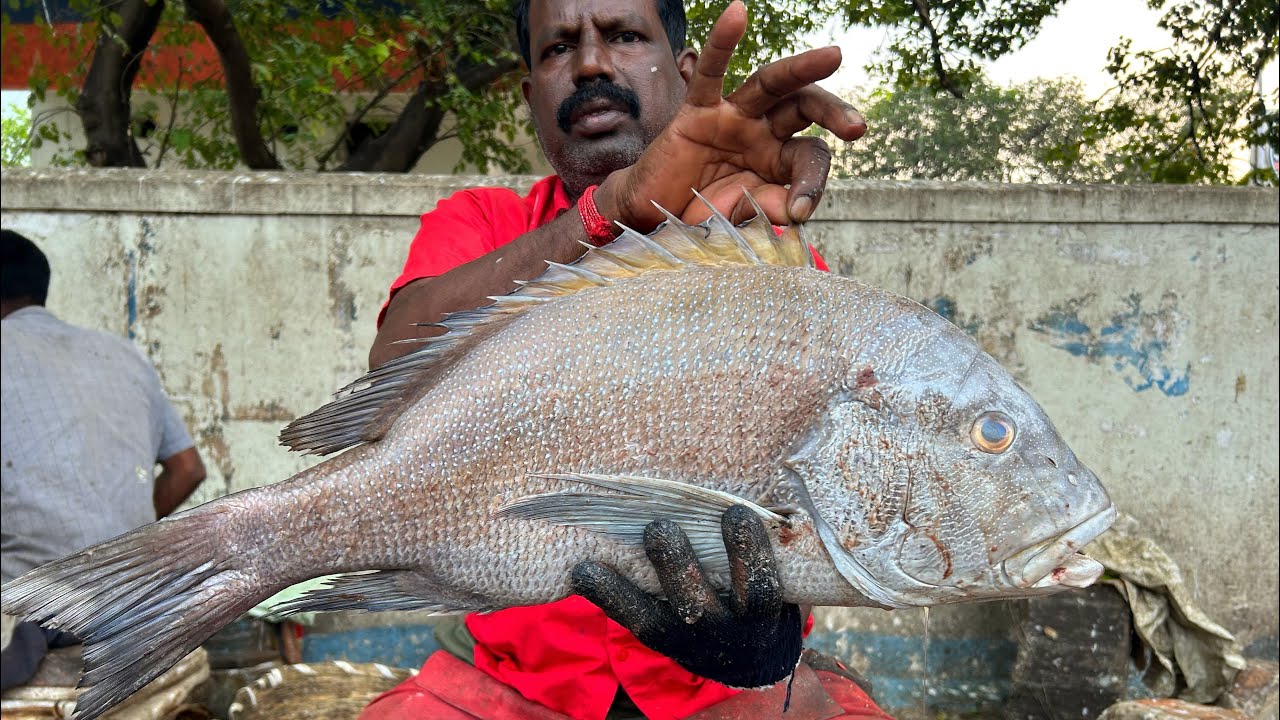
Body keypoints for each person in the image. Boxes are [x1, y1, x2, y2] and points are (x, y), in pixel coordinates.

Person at [360, 0, 892, 718]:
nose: (588, 64)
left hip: (723, 691)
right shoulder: (482, 226)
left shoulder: (761, 259)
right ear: (530, 96)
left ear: (682, 74)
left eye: (623, 35)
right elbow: (393, 362)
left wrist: (765, 640)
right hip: (512, 685)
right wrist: (608, 210)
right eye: (556, 49)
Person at [0, 230, 208, 690]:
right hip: (129, 602)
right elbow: (188, 468)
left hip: (29, 616)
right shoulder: (122, 354)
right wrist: (113, 541)